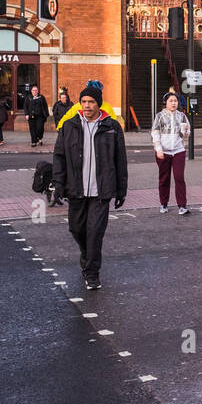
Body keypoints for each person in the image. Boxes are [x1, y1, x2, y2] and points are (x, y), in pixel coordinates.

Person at [51, 82, 128, 292]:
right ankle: (87, 255)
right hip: (76, 189)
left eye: (91, 102)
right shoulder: (69, 126)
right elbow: (59, 157)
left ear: (98, 104)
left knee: (94, 233)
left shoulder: (111, 127)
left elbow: (120, 160)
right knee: (76, 229)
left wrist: (121, 189)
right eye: (83, 101)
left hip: (101, 192)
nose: (86, 106)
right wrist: (58, 184)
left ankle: (92, 273)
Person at [152, 91, 191, 215]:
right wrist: (158, 149)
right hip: (164, 151)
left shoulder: (182, 116)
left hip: (179, 150)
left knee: (179, 177)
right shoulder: (159, 116)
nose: (174, 103)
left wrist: (185, 132)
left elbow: (185, 135)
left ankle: (182, 206)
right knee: (164, 178)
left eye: (175, 101)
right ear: (166, 103)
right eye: (171, 101)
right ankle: (164, 203)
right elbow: (155, 132)